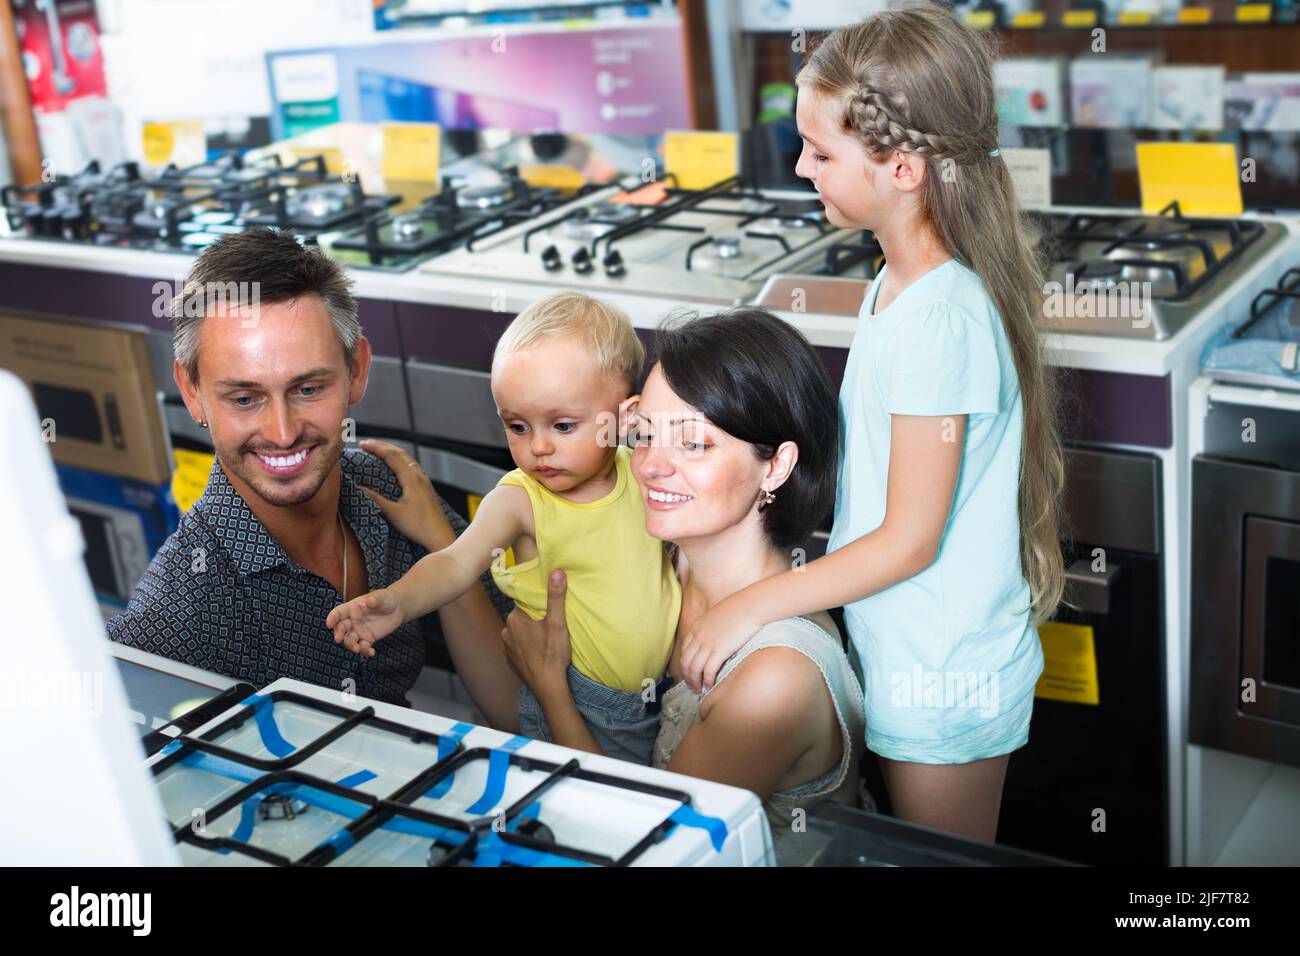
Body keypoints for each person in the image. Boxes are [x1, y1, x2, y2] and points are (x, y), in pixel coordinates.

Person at [675, 3, 1065, 843]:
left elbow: (909, 540)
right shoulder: (899, 284)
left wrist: (753, 607)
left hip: (945, 675)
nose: (801, 165)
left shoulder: (937, 320)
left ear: (903, 168)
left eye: (822, 152)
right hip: (911, 651)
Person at [500, 308, 866, 866]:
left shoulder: (775, 678)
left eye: (694, 444)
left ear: (776, 466)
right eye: (644, 435)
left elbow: (650, 846)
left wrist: (552, 692)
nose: (650, 466)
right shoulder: (667, 564)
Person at [107, 227, 515, 712]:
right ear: (192, 391)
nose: (282, 433)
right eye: (244, 398)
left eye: (307, 390)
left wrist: (443, 546)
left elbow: (515, 704)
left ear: (357, 369)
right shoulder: (178, 611)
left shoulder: (383, 487)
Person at [326, 292, 681, 765]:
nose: (538, 447)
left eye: (562, 425)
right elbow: (454, 563)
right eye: (517, 426)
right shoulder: (520, 499)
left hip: (654, 695)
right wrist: (399, 602)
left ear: (627, 416)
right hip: (581, 707)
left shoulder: (642, 471)